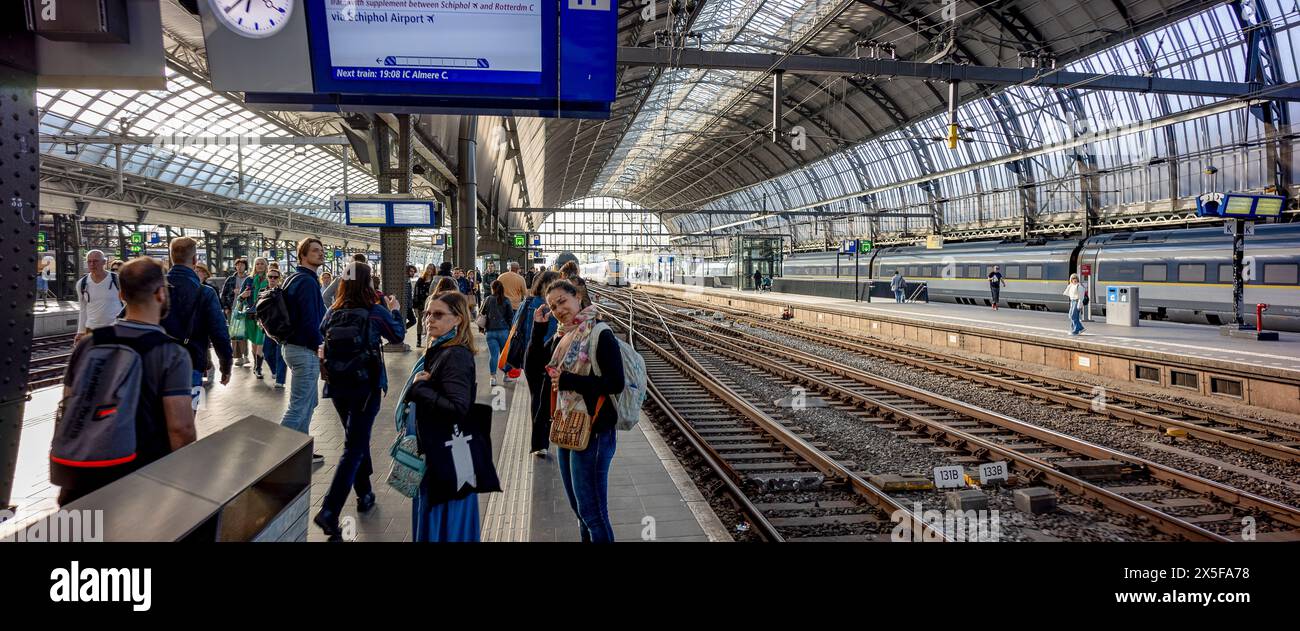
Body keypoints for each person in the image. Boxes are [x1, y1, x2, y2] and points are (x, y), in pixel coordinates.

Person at [52, 257, 195, 506]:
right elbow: (180, 428)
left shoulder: (89, 343)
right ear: (161, 294)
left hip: (78, 476)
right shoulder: (171, 353)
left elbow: (68, 401)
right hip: (138, 479)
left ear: (120, 296)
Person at [526, 279, 625, 542]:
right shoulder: (563, 336)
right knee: (580, 512)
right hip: (568, 428)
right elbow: (535, 370)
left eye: (562, 301)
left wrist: (571, 381)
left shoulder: (600, 333)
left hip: (594, 431)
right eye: (552, 306)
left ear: (577, 297)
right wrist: (538, 329)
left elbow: (616, 383)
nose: (559, 309)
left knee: (593, 514)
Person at [313, 262, 405, 537]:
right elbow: (397, 336)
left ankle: (364, 494)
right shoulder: (373, 311)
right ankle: (329, 510)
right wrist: (396, 310)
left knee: (356, 439)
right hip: (365, 386)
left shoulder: (333, 310)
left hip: (337, 385)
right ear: (369, 284)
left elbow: (321, 331)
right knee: (353, 447)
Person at [408, 291, 479, 541]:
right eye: (428, 313)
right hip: (443, 451)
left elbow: (458, 409)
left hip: (448, 456)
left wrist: (419, 390)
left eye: (438, 314)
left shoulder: (455, 355)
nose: (429, 319)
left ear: (458, 319)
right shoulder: (442, 349)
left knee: (444, 524)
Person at [160, 237, 233, 411]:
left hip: (156, 364)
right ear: (194, 260)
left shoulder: (154, 288)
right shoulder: (205, 292)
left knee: (158, 419)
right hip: (192, 363)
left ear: (171, 258)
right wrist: (226, 365)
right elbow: (219, 332)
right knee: (187, 417)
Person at [280, 237, 329, 462]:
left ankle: (301, 452)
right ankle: (277, 454)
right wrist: (320, 349)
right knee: (299, 406)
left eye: (322, 250)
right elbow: (311, 322)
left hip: (293, 347)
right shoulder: (307, 282)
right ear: (303, 255)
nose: (321, 254)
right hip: (304, 349)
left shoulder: (294, 278)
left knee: (308, 402)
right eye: (316, 251)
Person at [519, 271, 561, 455]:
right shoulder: (553, 306)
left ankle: (540, 443)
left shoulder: (528, 303)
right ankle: (546, 437)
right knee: (545, 398)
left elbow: (516, 326)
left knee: (538, 398)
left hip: (531, 355)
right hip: (549, 355)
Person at [74, 249, 124, 344]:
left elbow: (127, 303)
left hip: (114, 329)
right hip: (91, 329)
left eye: (96, 261)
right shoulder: (82, 283)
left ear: (104, 262)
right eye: (89, 261)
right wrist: (80, 332)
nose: (92, 264)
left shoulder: (116, 280)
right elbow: (83, 309)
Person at [240, 257, 271, 379]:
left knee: (260, 341)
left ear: (266, 265)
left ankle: (258, 368)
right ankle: (256, 365)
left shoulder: (270, 278)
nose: (260, 265)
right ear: (254, 266)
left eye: (262, 263)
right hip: (250, 315)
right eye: (257, 263)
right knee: (253, 342)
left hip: (264, 315)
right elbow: (240, 298)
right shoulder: (249, 280)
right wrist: (243, 295)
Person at [481, 280, 514, 386]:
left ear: (492, 289)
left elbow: (482, 313)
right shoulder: (506, 300)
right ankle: (506, 375)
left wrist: (482, 327)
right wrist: (510, 329)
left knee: (493, 355)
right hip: (503, 331)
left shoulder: (488, 299)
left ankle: (493, 378)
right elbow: (510, 317)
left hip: (490, 332)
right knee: (505, 355)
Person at [261, 268, 288, 389]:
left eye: (275, 277)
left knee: (281, 355)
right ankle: (275, 371)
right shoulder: (262, 292)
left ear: (279, 279)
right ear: (267, 278)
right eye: (270, 277)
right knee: (267, 353)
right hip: (268, 329)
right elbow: (258, 308)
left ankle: (280, 380)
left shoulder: (283, 293)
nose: (272, 279)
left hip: (282, 329)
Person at [221, 258, 250, 366]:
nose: (240, 267)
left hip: (245, 309)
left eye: (242, 265)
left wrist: (242, 292)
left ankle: (245, 355)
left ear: (245, 266)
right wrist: (226, 308)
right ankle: (238, 357)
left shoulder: (249, 279)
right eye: (238, 265)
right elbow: (223, 294)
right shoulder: (230, 279)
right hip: (232, 309)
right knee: (235, 334)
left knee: (244, 333)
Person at [412, 264, 436, 347]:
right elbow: (416, 292)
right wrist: (415, 305)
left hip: (431, 304)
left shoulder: (434, 280)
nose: (429, 270)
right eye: (428, 268)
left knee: (431, 321)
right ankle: (418, 339)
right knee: (420, 321)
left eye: (431, 269)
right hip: (421, 304)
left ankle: (431, 338)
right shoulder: (420, 280)